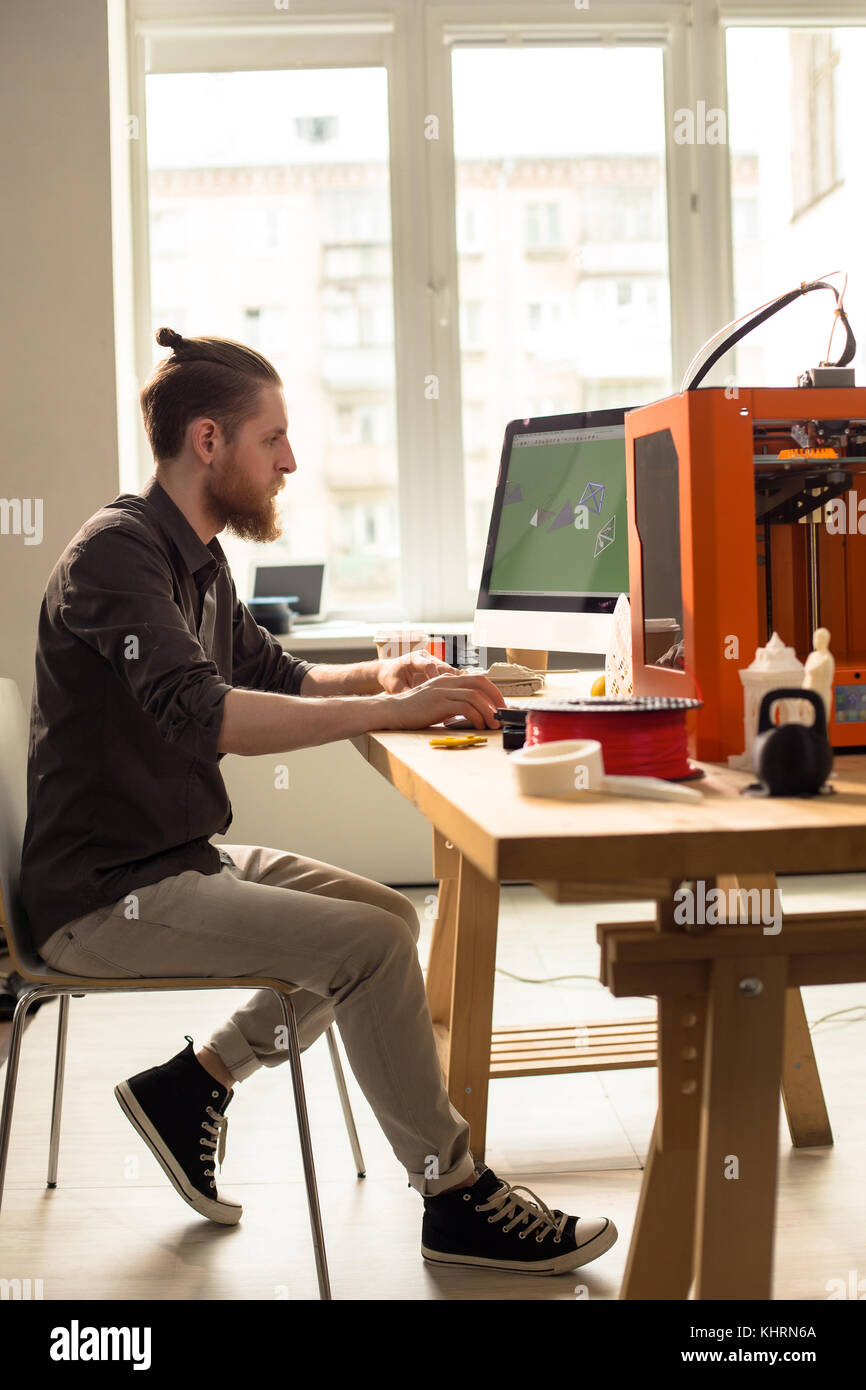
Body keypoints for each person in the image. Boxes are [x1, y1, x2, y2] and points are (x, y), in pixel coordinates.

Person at [20, 327, 618, 1279]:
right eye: (275, 439)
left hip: (179, 862)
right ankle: (454, 1197)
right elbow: (209, 713)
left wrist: (389, 672)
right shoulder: (117, 556)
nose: (291, 461)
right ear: (209, 441)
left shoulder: (198, 559)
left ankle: (194, 1085)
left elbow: (275, 673)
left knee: (386, 914)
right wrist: (397, 708)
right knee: (369, 950)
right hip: (102, 900)